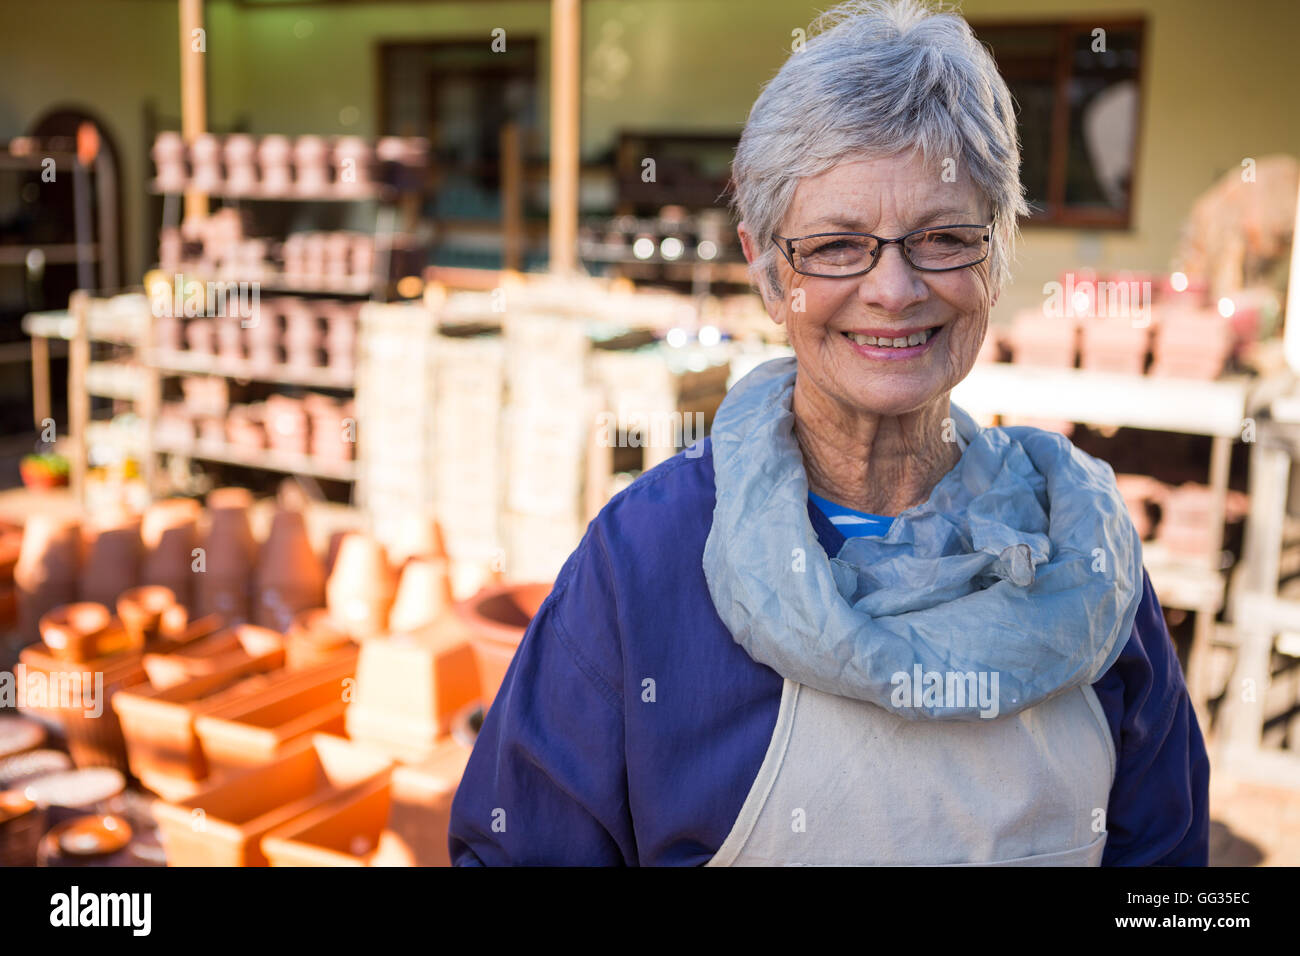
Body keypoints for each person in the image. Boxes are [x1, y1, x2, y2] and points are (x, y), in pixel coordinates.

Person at [448, 0, 1209, 866]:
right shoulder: (646, 562)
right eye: (839, 245)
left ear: (995, 260)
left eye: (944, 237)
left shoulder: (1085, 553)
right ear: (770, 275)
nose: (893, 288)